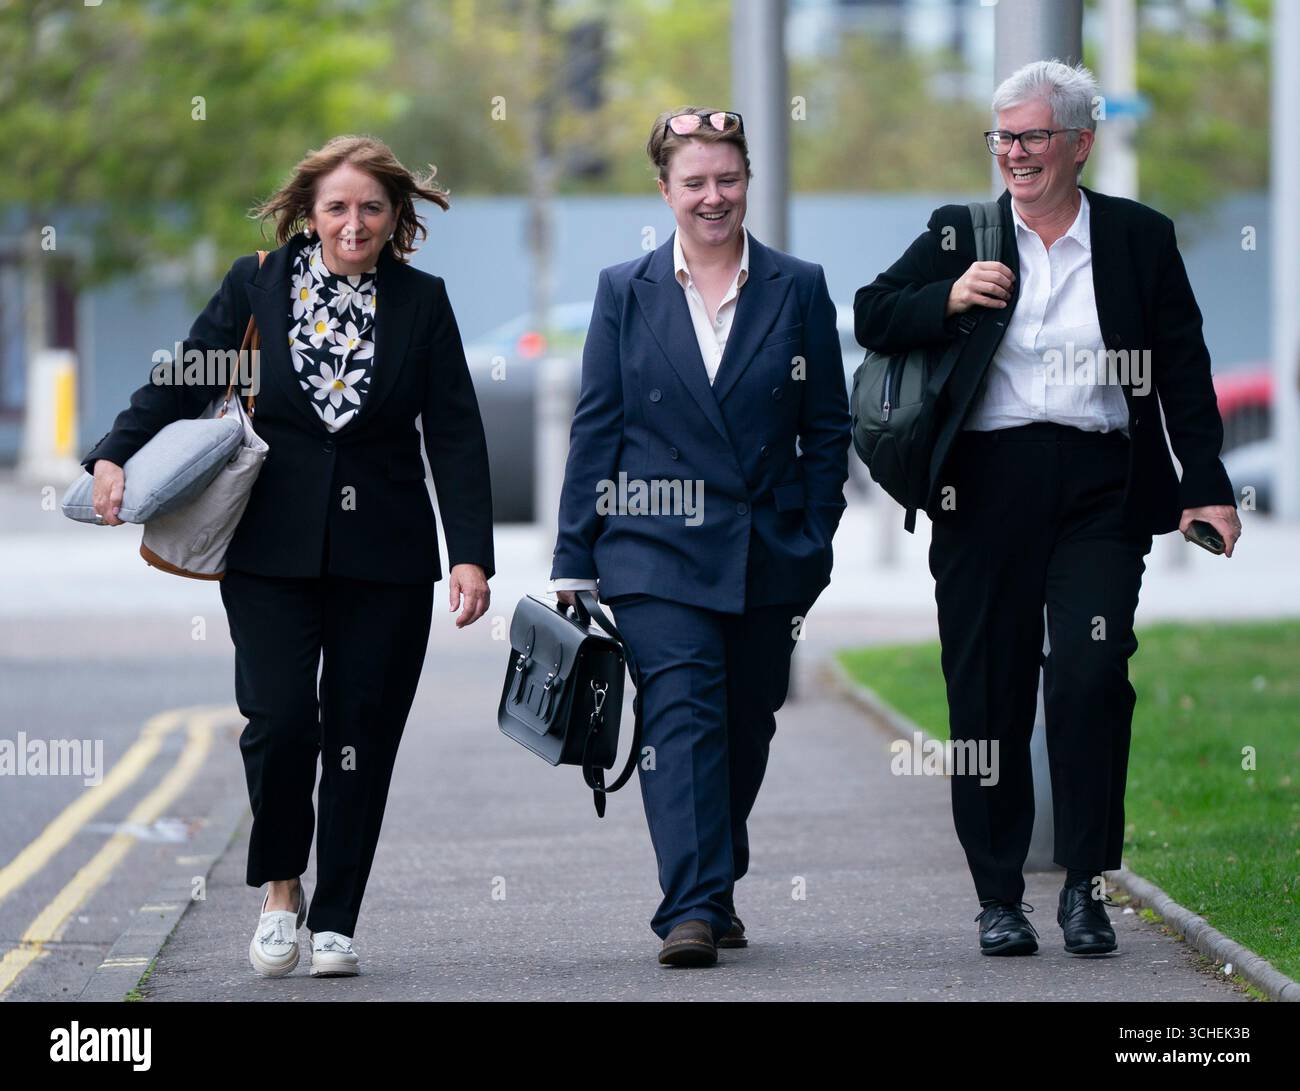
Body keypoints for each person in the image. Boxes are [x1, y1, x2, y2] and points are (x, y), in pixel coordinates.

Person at [82, 134, 494, 978]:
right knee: (277, 721)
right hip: (270, 548)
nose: (354, 222)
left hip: (386, 555)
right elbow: (184, 374)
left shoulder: (423, 303)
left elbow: (453, 431)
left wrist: (471, 555)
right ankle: (282, 889)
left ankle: (338, 917)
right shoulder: (255, 285)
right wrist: (113, 451)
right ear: (308, 212)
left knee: (360, 733)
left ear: (394, 218)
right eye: (338, 206)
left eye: (371, 208)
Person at [854, 61, 1240, 957]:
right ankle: (997, 896)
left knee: (1089, 677)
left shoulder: (1139, 237)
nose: (1014, 154)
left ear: (1080, 143)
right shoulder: (963, 234)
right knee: (984, 690)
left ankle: (1083, 885)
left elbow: (1182, 365)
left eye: (1031, 137)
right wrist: (946, 297)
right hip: (983, 487)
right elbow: (874, 313)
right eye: (1002, 137)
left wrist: (1207, 484)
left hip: (1100, 487)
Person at [551, 107, 850, 967]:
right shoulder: (625, 289)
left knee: (746, 718)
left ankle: (715, 877)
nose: (712, 197)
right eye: (695, 183)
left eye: (727, 179)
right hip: (652, 547)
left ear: (747, 180)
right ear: (664, 191)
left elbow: (827, 426)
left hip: (767, 549)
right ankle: (690, 906)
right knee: (680, 713)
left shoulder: (797, 286)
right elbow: (596, 426)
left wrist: (814, 530)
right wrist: (576, 556)